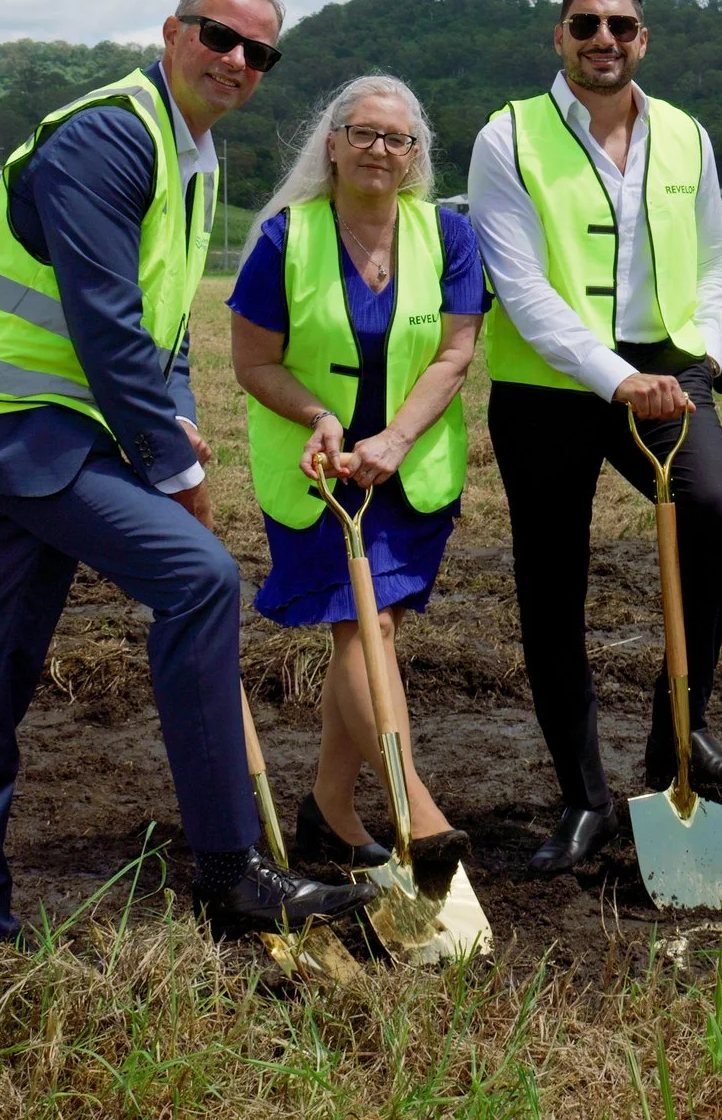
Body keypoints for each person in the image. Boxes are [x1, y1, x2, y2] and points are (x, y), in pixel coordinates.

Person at [0, 0, 376, 952]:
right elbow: (108, 325)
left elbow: (167, 329)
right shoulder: (110, 136)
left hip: (55, 430)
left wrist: (180, 423)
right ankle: (231, 871)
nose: (235, 59)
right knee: (198, 579)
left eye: (258, 50)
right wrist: (176, 470)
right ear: (172, 30)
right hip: (13, 422)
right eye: (219, 35)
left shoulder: (191, 151)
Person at [468, 0, 722, 875]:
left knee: (719, 512)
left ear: (644, 39)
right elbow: (521, 285)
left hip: (669, 368)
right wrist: (615, 378)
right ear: (559, 36)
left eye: (622, 25)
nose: (605, 38)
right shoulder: (506, 134)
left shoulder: (685, 133)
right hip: (548, 385)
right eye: (586, 23)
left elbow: (720, 253)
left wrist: (702, 348)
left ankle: (677, 743)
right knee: (551, 583)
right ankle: (584, 796)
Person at [229, 75, 485, 879]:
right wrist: (320, 417)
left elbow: (455, 353)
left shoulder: (448, 235)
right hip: (320, 472)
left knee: (376, 633)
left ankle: (330, 811)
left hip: (406, 474)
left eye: (397, 138)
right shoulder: (284, 239)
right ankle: (419, 814)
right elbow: (253, 362)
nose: (380, 149)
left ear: (415, 156)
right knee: (361, 628)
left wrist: (397, 439)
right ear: (332, 144)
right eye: (364, 133)